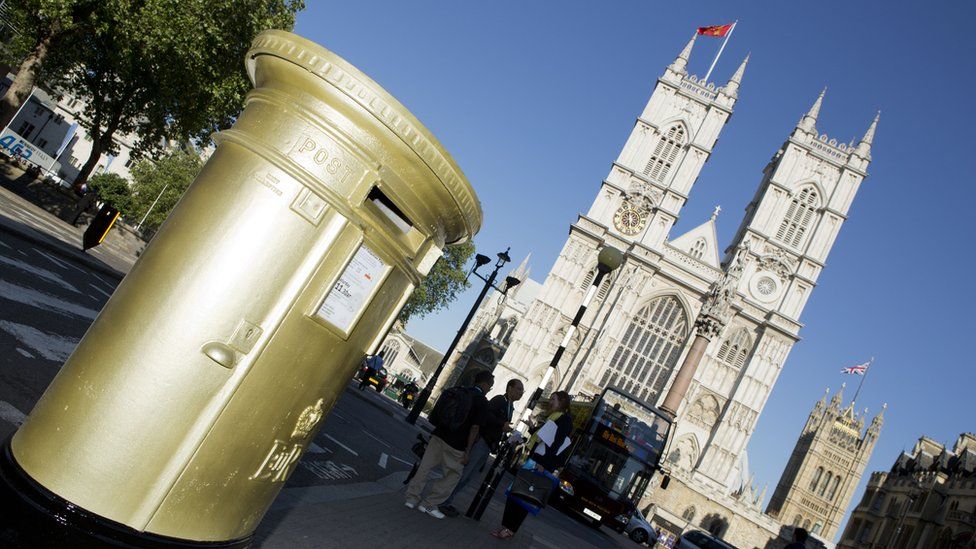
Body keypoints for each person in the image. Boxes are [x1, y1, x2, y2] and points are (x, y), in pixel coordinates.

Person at [404, 371, 492, 519]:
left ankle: (411, 499)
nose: (490, 388)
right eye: (490, 385)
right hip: (457, 444)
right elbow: (475, 428)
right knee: (452, 475)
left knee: (425, 467)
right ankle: (428, 504)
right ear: (485, 384)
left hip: (439, 435)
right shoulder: (483, 402)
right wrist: (468, 451)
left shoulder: (460, 390)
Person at [491, 390, 574, 540]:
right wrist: (531, 426)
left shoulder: (564, 420)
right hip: (535, 460)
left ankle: (510, 529)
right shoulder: (554, 417)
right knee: (515, 493)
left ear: (562, 402)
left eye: (553, 399)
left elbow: (556, 444)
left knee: (524, 497)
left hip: (541, 463)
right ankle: (507, 526)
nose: (550, 401)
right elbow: (543, 437)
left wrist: (544, 464)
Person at [438, 378, 525, 517]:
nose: (521, 393)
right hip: (482, 442)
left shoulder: (510, 406)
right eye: (519, 389)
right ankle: (442, 501)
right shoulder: (499, 400)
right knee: (463, 474)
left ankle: (447, 501)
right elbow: (486, 415)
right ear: (510, 388)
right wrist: (501, 424)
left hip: (489, 445)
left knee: (468, 477)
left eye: (522, 390)